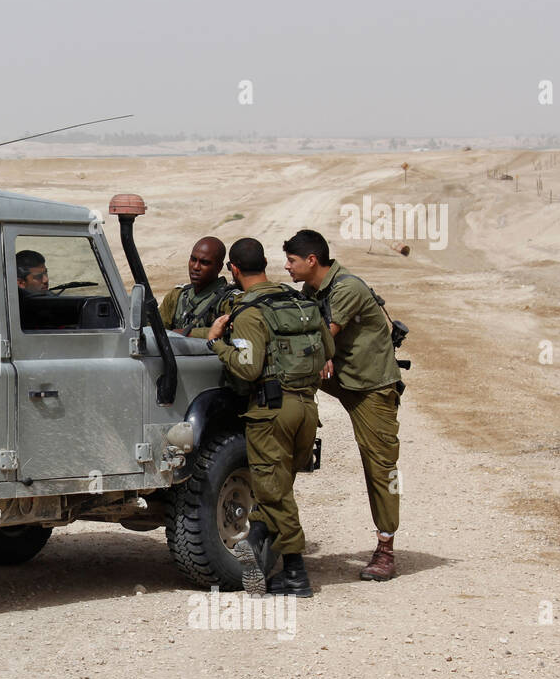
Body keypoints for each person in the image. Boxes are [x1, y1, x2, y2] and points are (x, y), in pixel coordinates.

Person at [206, 237, 334, 597]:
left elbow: (247, 369)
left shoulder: (250, 311)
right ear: (265, 263)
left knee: (275, 493)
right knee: (276, 487)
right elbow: (329, 348)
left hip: (271, 413)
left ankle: (296, 573)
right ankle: (257, 537)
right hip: (307, 409)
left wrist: (216, 343)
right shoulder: (298, 300)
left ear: (233, 269)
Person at [283, 229, 402, 582]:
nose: (287, 267)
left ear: (311, 261)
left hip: (371, 385)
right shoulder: (313, 288)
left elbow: (319, 336)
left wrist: (323, 352)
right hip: (340, 375)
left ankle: (386, 549)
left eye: (291, 261)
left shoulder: (346, 288)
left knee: (380, 463)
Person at [159, 236, 234, 337]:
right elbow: (156, 330)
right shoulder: (177, 296)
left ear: (219, 267)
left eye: (204, 263)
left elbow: (232, 332)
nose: (196, 267)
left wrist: (189, 333)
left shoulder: (228, 300)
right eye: (193, 260)